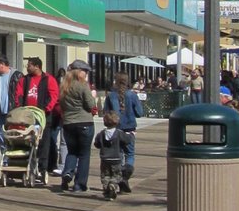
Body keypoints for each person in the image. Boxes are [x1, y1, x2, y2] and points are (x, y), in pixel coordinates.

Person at [10, 56, 59, 184]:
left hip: (43, 117)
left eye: (29, 65)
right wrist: (20, 108)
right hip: (26, 117)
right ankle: (25, 165)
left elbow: (53, 96)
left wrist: (46, 109)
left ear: (37, 66)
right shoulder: (24, 79)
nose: (27, 67)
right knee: (25, 141)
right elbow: (18, 94)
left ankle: (43, 168)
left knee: (44, 143)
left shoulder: (48, 79)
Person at [58, 62, 99, 193]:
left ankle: (67, 172)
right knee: (84, 154)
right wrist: (93, 97)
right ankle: (79, 185)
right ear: (79, 72)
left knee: (72, 151)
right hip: (84, 122)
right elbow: (90, 105)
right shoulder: (82, 85)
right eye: (85, 71)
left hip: (68, 123)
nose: (86, 74)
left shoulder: (64, 86)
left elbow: (61, 105)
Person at [102, 72, 143, 192]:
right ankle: (126, 174)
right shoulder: (132, 95)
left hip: (116, 129)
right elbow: (139, 113)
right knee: (129, 154)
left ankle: (119, 177)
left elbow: (105, 112)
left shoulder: (111, 96)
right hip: (130, 129)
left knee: (118, 154)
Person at [94, 110, 134, 200]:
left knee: (105, 175)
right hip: (116, 158)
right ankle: (112, 184)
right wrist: (131, 135)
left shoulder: (101, 134)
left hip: (104, 158)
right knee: (117, 175)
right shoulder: (119, 133)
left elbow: (97, 144)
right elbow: (127, 140)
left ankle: (107, 191)